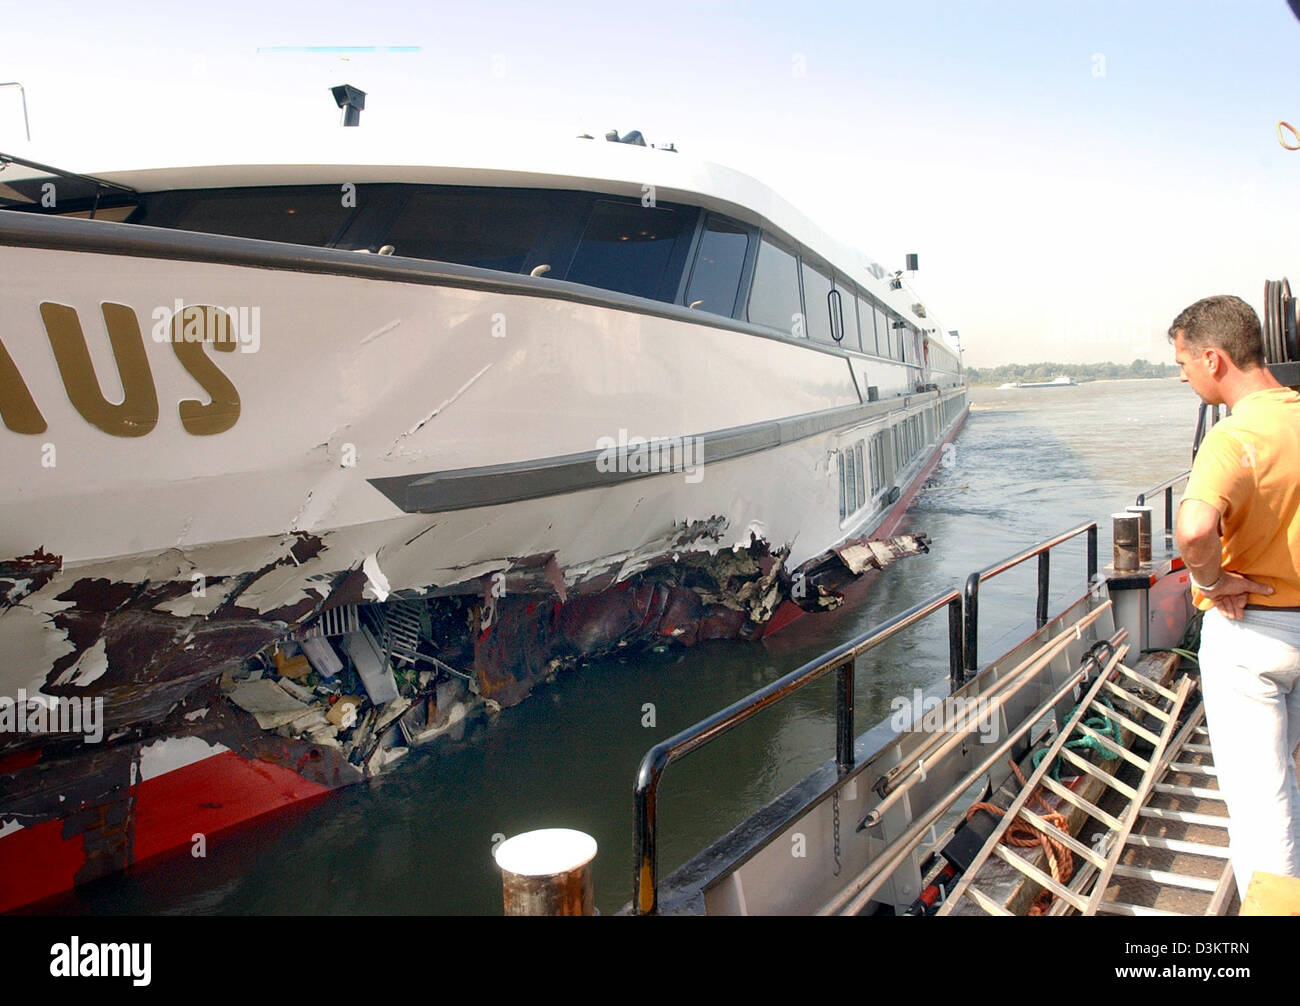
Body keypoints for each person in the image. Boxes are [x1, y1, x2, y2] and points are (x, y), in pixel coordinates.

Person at [1170, 294, 1300, 899]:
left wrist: (1210, 580)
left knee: (1261, 807)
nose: (1182, 374)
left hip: (1253, 636)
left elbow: (1195, 529)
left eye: (1183, 362)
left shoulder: (1230, 438)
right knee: (1284, 784)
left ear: (1214, 359)